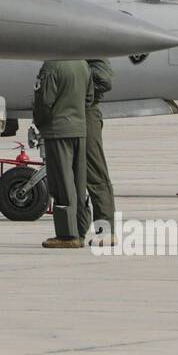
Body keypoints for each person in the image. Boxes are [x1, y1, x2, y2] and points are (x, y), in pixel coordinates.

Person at [33, 58, 91, 249]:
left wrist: (39, 121)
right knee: (78, 182)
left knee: (62, 183)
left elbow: (44, 101)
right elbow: (89, 98)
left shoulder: (52, 66)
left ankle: (67, 234)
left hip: (58, 130)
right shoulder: (83, 64)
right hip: (79, 129)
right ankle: (80, 229)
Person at [80, 57, 117, 243]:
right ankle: (74, 232)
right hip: (67, 114)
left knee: (95, 173)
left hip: (85, 114)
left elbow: (104, 79)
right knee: (68, 178)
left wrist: (75, 92)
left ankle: (106, 231)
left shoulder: (90, 48)